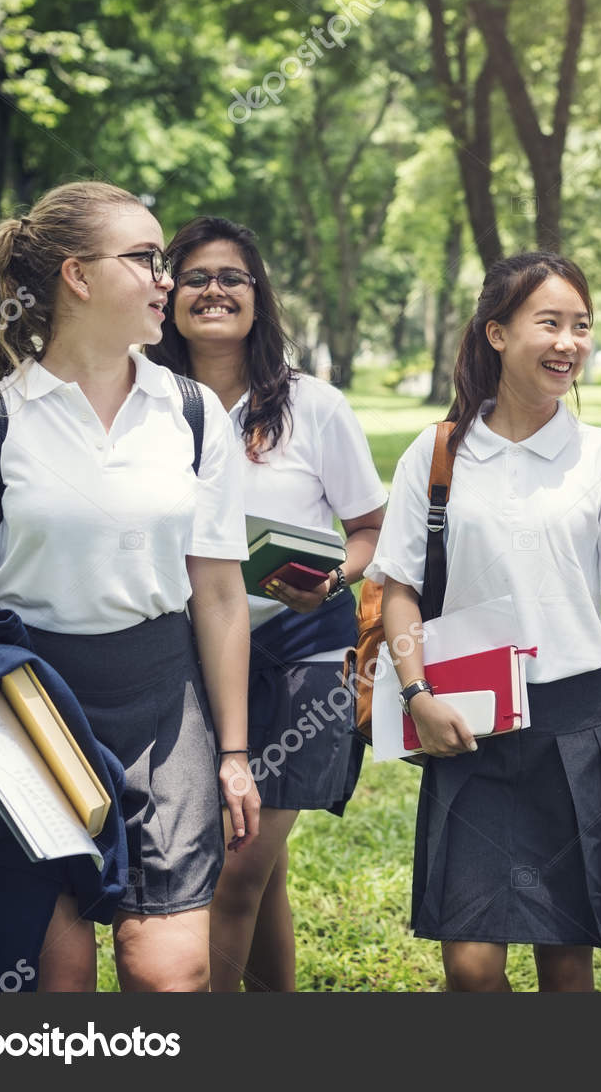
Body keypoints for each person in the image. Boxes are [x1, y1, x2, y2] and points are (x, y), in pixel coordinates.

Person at [0, 181, 257, 991]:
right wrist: (4, 755)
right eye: (145, 259)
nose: (167, 279)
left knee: (170, 975)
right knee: (51, 989)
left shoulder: (196, 413)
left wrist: (235, 753)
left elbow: (217, 596)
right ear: (76, 276)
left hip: (163, 707)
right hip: (31, 713)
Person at [370, 252, 601, 992]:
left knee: (565, 961)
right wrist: (418, 694)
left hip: (575, 728)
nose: (569, 342)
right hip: (467, 724)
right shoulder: (438, 452)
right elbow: (401, 589)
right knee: (471, 967)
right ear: (498, 334)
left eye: (582, 326)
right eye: (549, 322)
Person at [145, 216, 387, 992]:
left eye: (232, 277)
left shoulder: (314, 406)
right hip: (188, 659)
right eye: (194, 277)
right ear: (168, 295)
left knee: (233, 875)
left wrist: (332, 580)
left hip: (302, 658)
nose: (213, 290)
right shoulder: (145, 406)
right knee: (265, 871)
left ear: (258, 297)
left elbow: (372, 532)